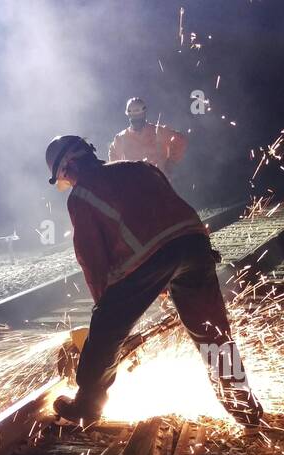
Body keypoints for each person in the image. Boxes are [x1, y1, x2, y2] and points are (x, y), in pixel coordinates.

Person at [44, 134, 262, 427]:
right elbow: (166, 212)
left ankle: (87, 404)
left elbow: (92, 260)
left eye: (63, 177)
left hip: (153, 256)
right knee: (212, 330)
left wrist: (107, 310)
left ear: (68, 167)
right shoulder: (140, 167)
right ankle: (244, 406)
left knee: (107, 327)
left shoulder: (81, 195)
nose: (67, 182)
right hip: (196, 243)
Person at [106, 97, 188, 177]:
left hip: (158, 183)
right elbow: (114, 160)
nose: (136, 122)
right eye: (134, 119)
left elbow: (180, 140)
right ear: (129, 116)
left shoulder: (158, 131)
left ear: (144, 115)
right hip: (133, 186)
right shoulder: (121, 138)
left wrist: (171, 162)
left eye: (139, 119)